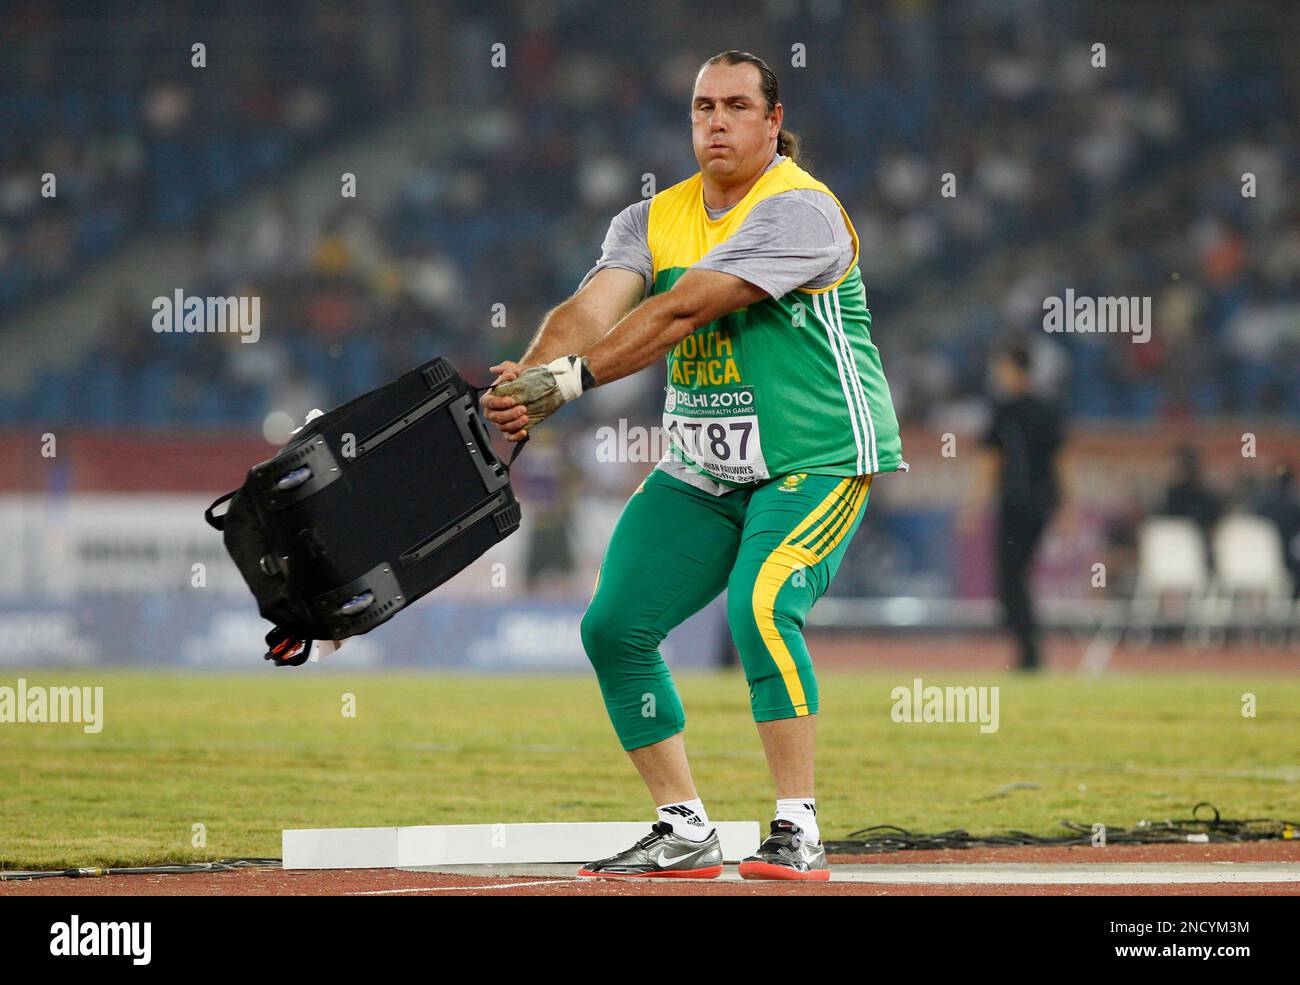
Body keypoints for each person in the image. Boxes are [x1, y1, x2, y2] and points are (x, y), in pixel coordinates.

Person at [481, 51, 905, 880]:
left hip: (814, 460)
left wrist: (564, 384)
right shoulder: (649, 218)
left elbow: (682, 308)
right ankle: (683, 826)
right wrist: (525, 377)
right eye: (704, 106)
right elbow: (591, 308)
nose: (717, 121)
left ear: (773, 122)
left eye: (738, 106)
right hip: (703, 469)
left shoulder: (802, 210)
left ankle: (798, 825)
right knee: (613, 627)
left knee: (761, 603)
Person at [969, 337, 1064, 672]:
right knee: (1017, 578)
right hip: (1041, 506)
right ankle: (1028, 649)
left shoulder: (1004, 412)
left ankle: (1029, 652)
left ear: (1013, 369)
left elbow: (991, 463)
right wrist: (1066, 508)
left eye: (1001, 367)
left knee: (1009, 580)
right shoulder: (1047, 409)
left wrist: (973, 507)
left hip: (1015, 504)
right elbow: (1061, 462)